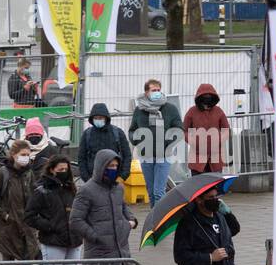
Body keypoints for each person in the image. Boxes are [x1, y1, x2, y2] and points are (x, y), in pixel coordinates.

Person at [69, 148, 137, 265]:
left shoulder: (118, 189)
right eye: (110, 166)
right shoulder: (87, 190)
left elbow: (125, 208)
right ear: (101, 166)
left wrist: (131, 222)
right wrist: (95, 236)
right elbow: (75, 221)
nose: (113, 169)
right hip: (98, 254)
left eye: (116, 166)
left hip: (117, 252)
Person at [24, 152, 82, 265]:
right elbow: (30, 216)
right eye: (60, 170)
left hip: (73, 240)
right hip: (53, 241)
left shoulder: (71, 188)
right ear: (52, 170)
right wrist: (49, 226)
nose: (64, 172)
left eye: (66, 169)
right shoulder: (41, 191)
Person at [130, 78, 183, 206]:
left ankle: (160, 221)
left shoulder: (170, 109)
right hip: (146, 156)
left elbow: (179, 129)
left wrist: (167, 143)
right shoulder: (139, 110)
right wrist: (139, 141)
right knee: (151, 192)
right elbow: (132, 130)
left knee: (158, 192)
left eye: (159, 90)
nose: (157, 92)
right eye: (154, 90)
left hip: (164, 155)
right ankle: (154, 219)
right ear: (146, 92)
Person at [183, 83, 230, 175]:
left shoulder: (218, 111)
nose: (207, 97)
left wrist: (219, 140)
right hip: (197, 157)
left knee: (215, 186)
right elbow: (184, 130)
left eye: (209, 95)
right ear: (199, 97)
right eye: (204, 95)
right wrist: (193, 141)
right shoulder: (192, 112)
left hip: (215, 157)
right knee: (198, 186)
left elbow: (226, 129)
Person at [77, 103, 131, 183]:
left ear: (106, 118)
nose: (98, 120)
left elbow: (127, 156)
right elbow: (81, 158)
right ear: (92, 119)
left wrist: (122, 177)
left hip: (114, 178)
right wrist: (87, 179)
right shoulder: (87, 134)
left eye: (101, 118)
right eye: (96, 118)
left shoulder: (117, 133)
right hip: (93, 179)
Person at [23, 116, 59, 185]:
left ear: (41, 135)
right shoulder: (22, 148)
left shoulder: (49, 149)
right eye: (31, 134)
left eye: (36, 134)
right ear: (26, 136)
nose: (34, 136)